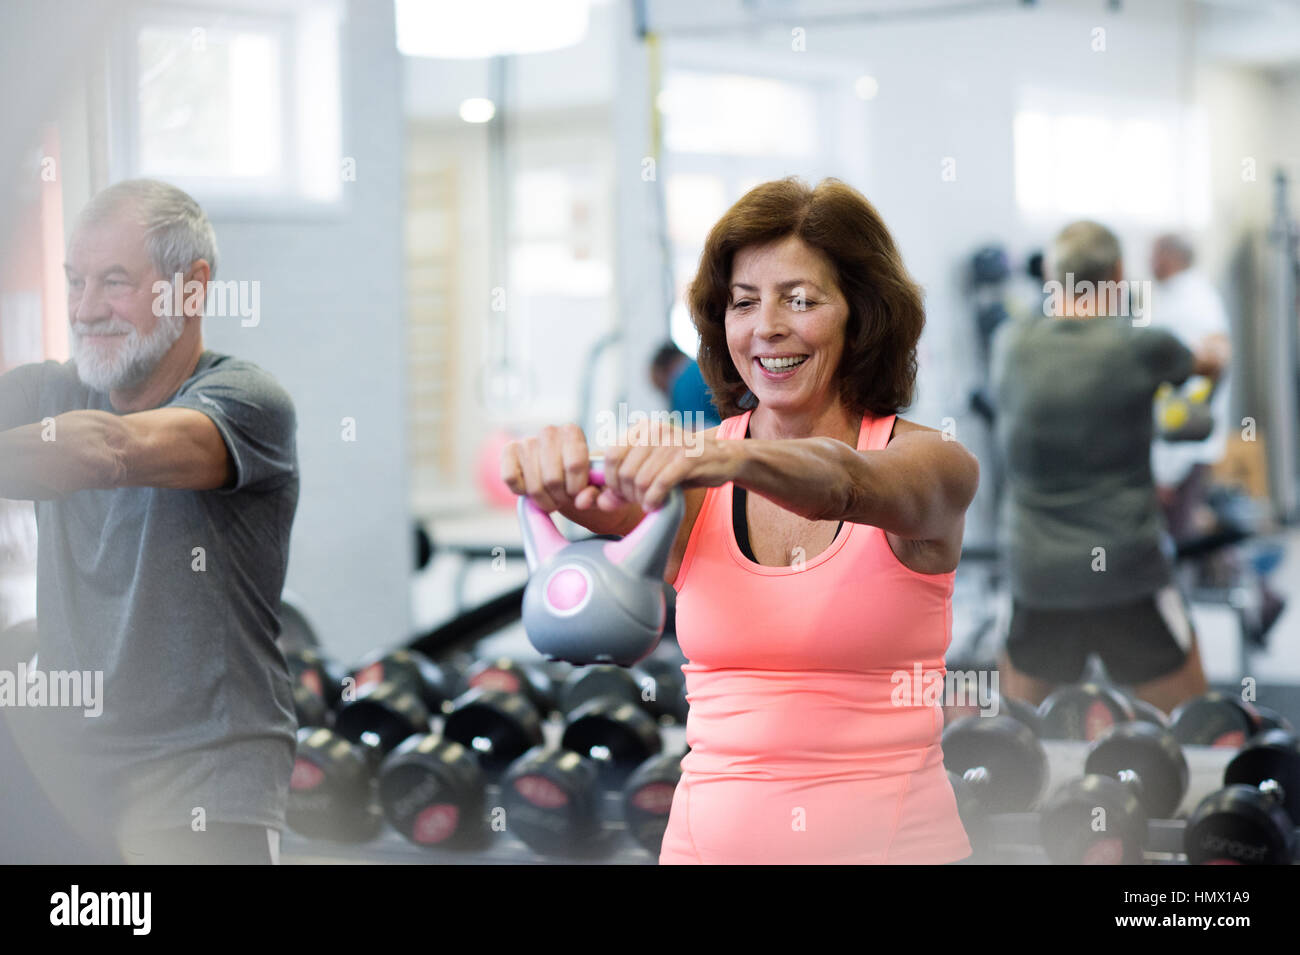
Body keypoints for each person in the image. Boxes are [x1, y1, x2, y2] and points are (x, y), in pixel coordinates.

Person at [503, 177, 979, 864]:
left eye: (801, 299)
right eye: (744, 302)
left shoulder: (931, 463)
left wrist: (730, 455)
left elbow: (845, 483)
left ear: (861, 313)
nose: (767, 327)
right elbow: (593, 512)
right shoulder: (693, 487)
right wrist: (552, 473)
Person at [0, 179, 299, 863]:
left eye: (114, 282)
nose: (85, 309)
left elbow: (108, 449)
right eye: (75, 281)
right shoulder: (50, 389)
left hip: (202, 769)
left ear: (191, 289)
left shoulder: (247, 402)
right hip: (69, 763)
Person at [991, 221, 1221, 712]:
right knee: (1192, 732)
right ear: (1119, 273)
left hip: (1038, 575)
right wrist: (1215, 367)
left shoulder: (1009, 344)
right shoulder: (1143, 345)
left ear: (1052, 275)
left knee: (1016, 741)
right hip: (1125, 571)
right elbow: (1201, 379)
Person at [1149, 233, 1232, 540]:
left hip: (1182, 447)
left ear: (1169, 257)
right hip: (1178, 445)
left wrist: (1168, 469)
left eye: (1154, 252)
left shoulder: (1193, 302)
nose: (1149, 261)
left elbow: (1202, 379)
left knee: (1180, 539)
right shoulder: (1176, 297)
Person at [650, 342, 721, 428]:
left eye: (662, 388)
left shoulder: (682, 384)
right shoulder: (701, 367)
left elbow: (693, 430)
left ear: (664, 372)